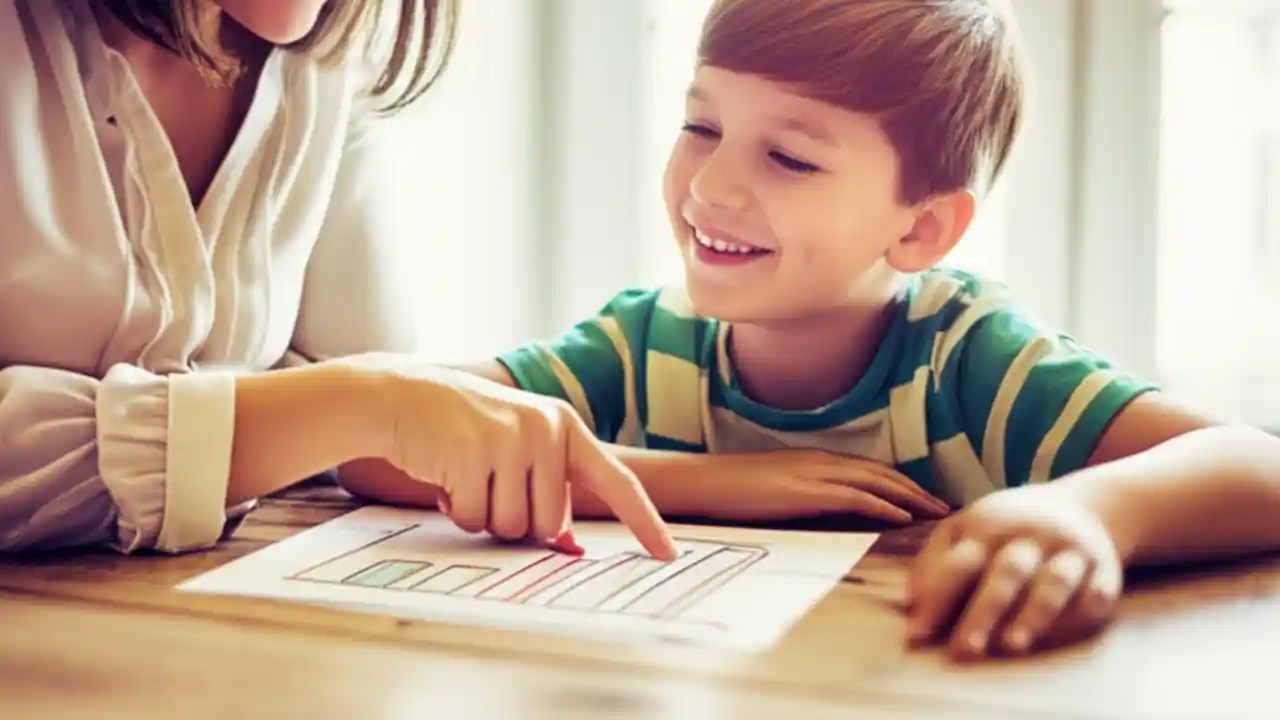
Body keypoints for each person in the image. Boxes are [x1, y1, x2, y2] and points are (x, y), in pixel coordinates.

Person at [340, 0, 1280, 660]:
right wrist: (714, 486)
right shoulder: (641, 347)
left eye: (789, 157)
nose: (712, 187)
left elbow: (1258, 466)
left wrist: (1086, 514)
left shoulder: (970, 361)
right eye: (701, 127)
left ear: (921, 229)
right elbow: (373, 442)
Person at [0, 0, 679, 561]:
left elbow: (372, 440)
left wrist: (748, 485)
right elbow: (361, 408)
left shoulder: (321, 66)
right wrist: (364, 404)